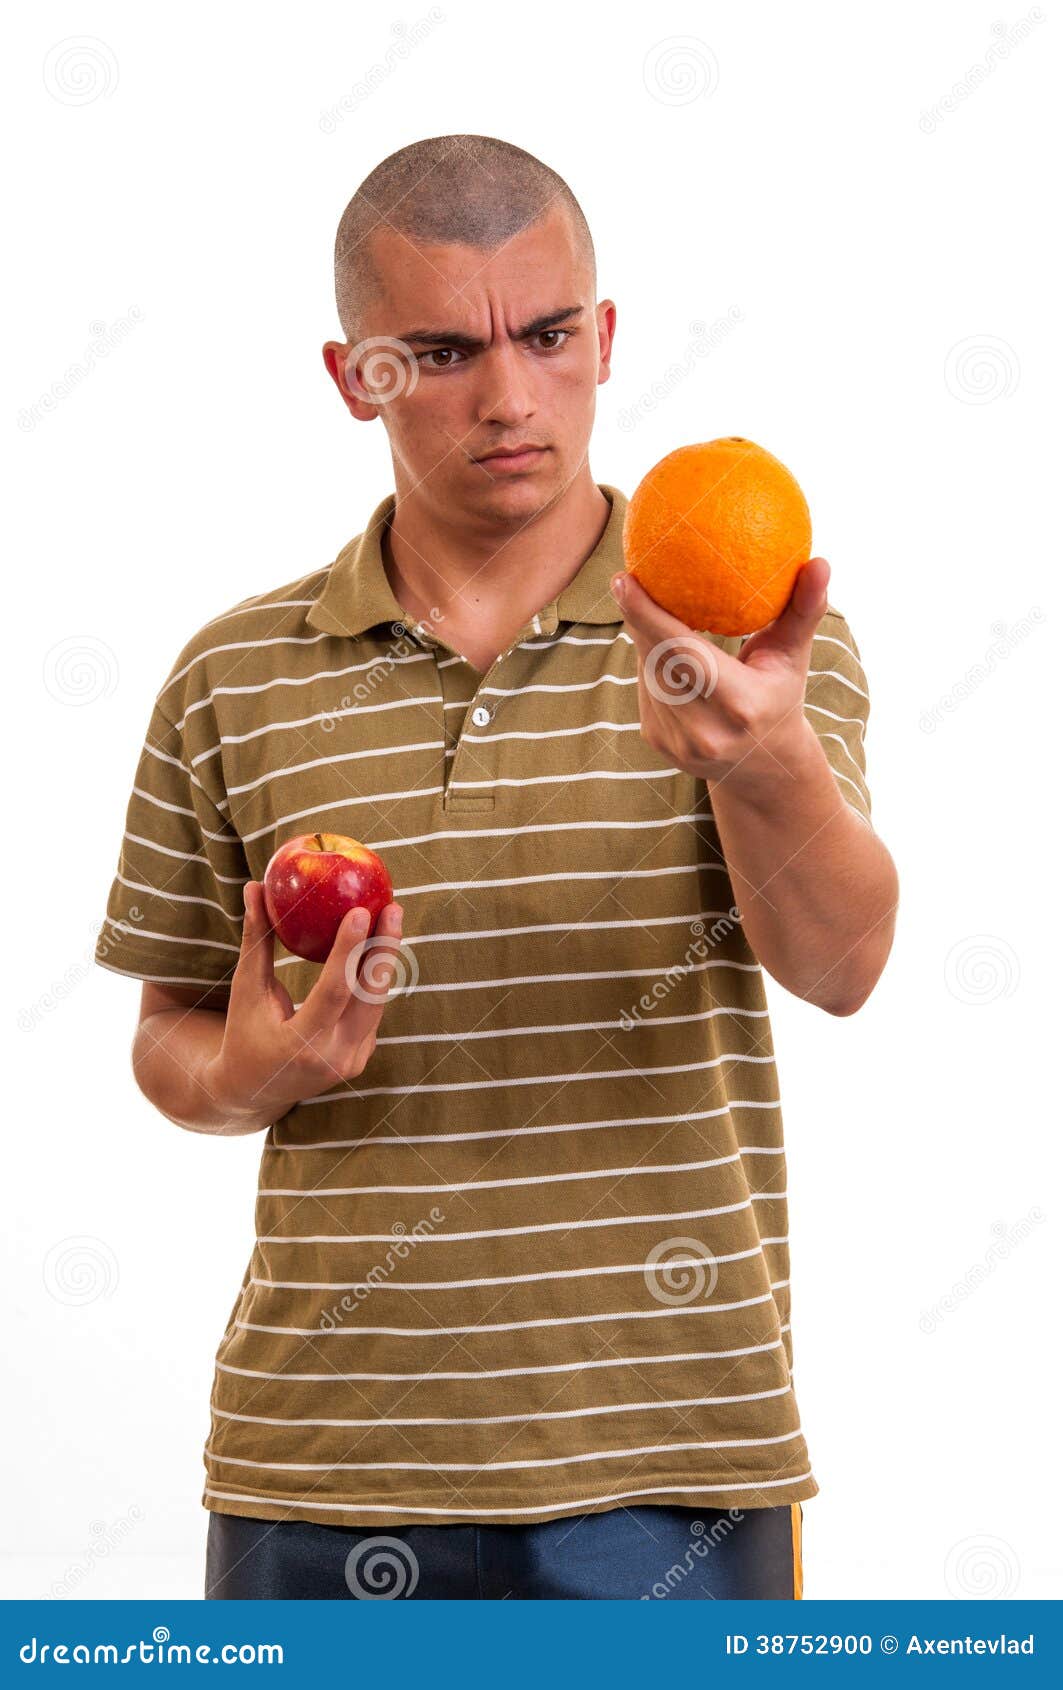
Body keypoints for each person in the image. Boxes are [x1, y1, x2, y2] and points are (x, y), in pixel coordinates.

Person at [95, 133, 898, 1601]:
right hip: (318, 1462)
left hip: (674, 1466)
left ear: (603, 339)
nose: (512, 396)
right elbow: (168, 1035)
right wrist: (255, 1071)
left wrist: (762, 759)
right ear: (357, 378)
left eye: (543, 336)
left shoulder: (753, 642)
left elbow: (842, 966)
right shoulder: (231, 675)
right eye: (443, 352)